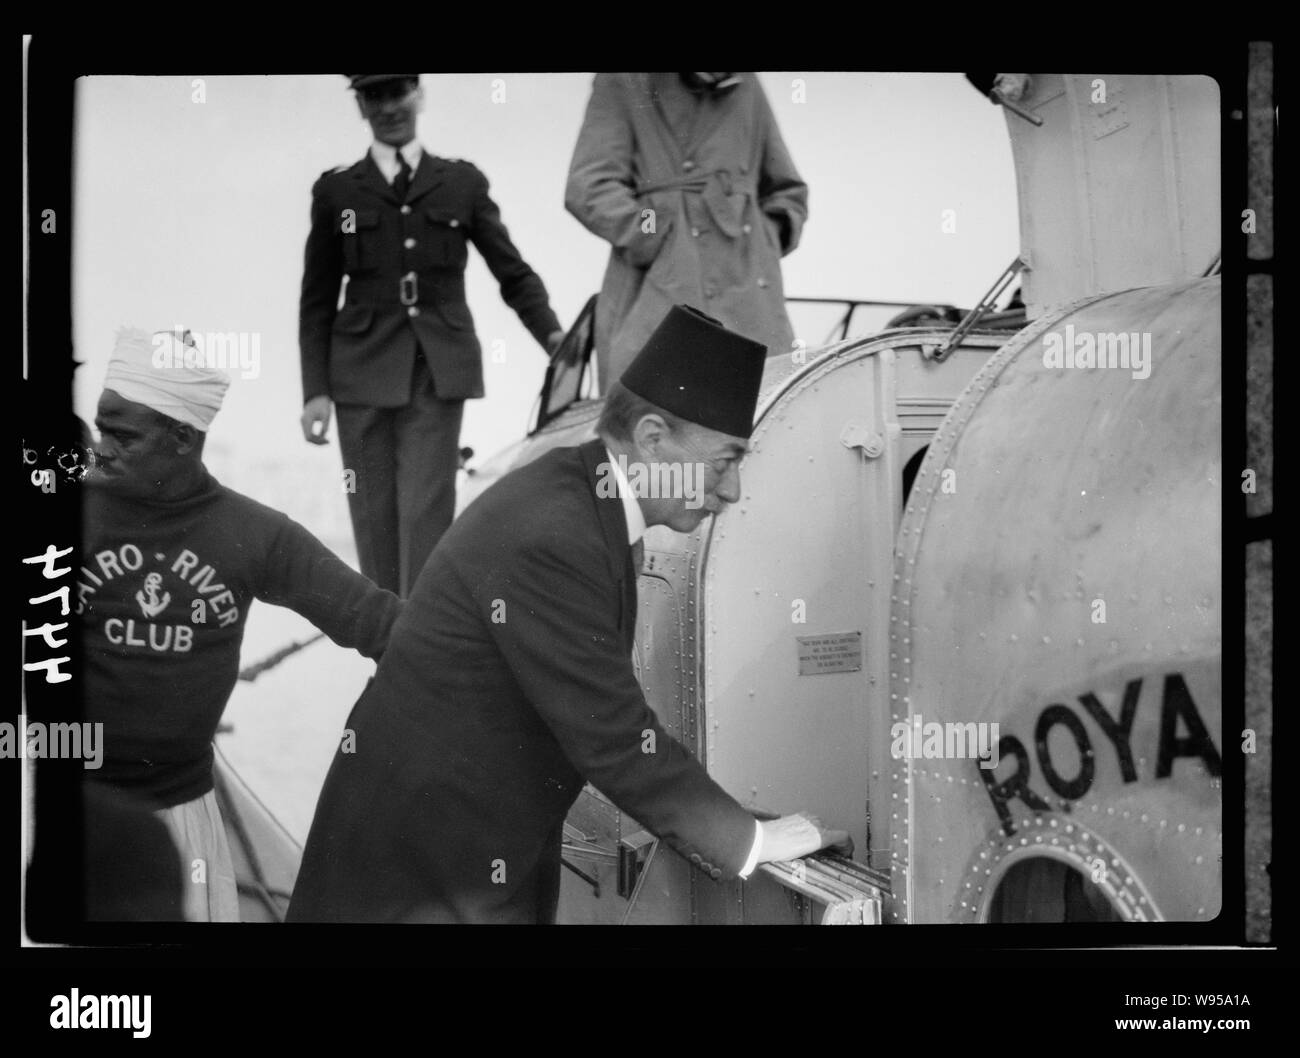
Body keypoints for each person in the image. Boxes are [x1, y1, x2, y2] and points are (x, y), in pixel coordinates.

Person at [288, 305, 849, 924]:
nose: (733, 490)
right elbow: (609, 733)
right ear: (653, 438)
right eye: (724, 462)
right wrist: (749, 842)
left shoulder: (579, 497)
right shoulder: (556, 531)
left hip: (469, 840)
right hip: (422, 865)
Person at [79, 328, 403, 920]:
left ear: (183, 438)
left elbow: (378, 622)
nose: (102, 447)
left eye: (122, 435)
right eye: (101, 429)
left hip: (181, 818)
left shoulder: (253, 534)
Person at [300, 73, 566, 596]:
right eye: (374, 97)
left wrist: (555, 338)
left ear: (418, 95)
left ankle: (420, 655)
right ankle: (389, 659)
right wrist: (315, 392)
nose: (389, 107)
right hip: (358, 376)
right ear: (359, 107)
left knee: (425, 517)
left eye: (397, 93)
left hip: (437, 371)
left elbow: (512, 273)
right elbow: (317, 298)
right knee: (374, 526)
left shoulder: (462, 184)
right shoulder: (337, 191)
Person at [565, 73, 808, 390]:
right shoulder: (625, 80)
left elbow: (787, 191)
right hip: (662, 297)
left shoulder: (746, 82)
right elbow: (588, 186)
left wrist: (766, 239)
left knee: (767, 417)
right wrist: (652, 230)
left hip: (750, 296)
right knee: (659, 418)